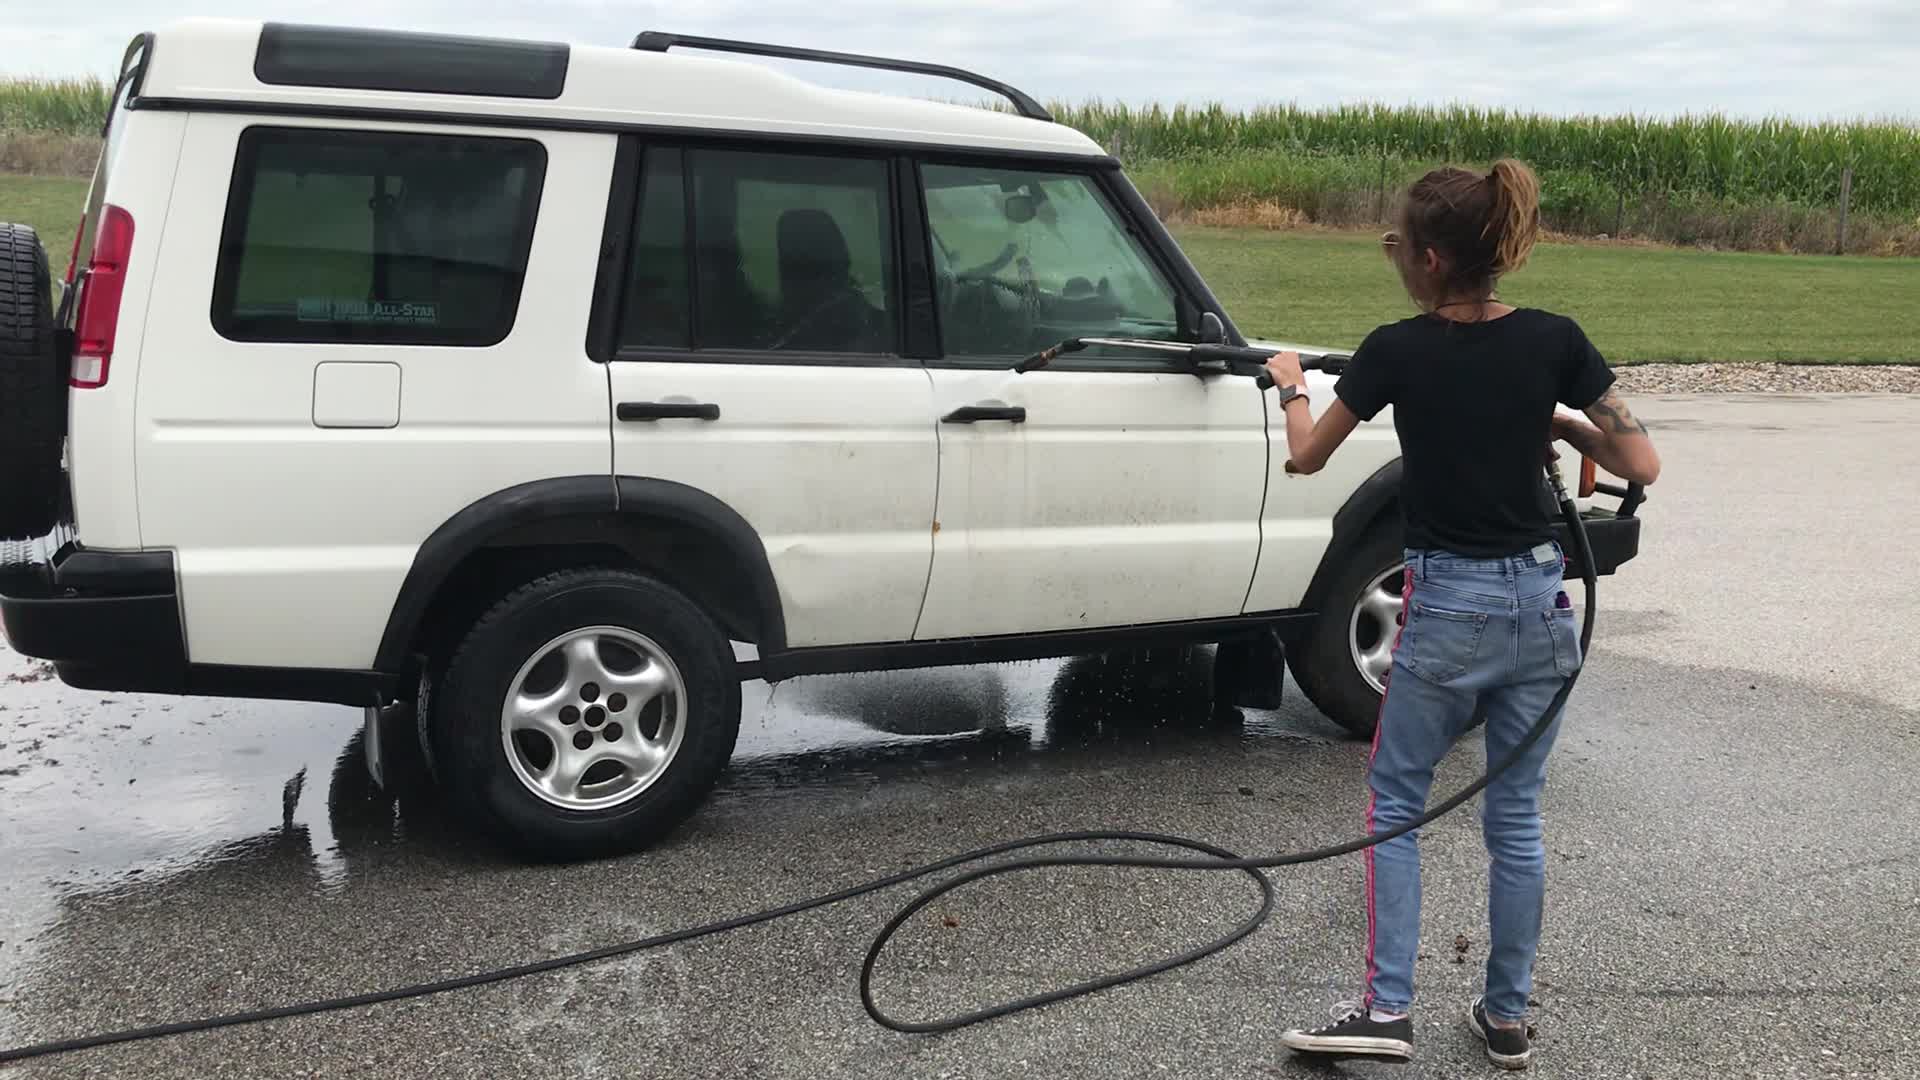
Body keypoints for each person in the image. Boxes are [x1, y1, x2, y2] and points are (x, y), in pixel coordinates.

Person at [1265, 160, 1661, 1070]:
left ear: (1432, 260)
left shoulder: (1395, 351)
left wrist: (1291, 383)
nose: (1396, 259)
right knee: (1515, 819)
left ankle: (1386, 1011)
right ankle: (1507, 1016)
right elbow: (1641, 463)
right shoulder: (1556, 339)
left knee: (1396, 803)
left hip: (1448, 608)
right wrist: (1568, 426)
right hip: (1542, 606)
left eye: (1398, 247)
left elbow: (1306, 457)